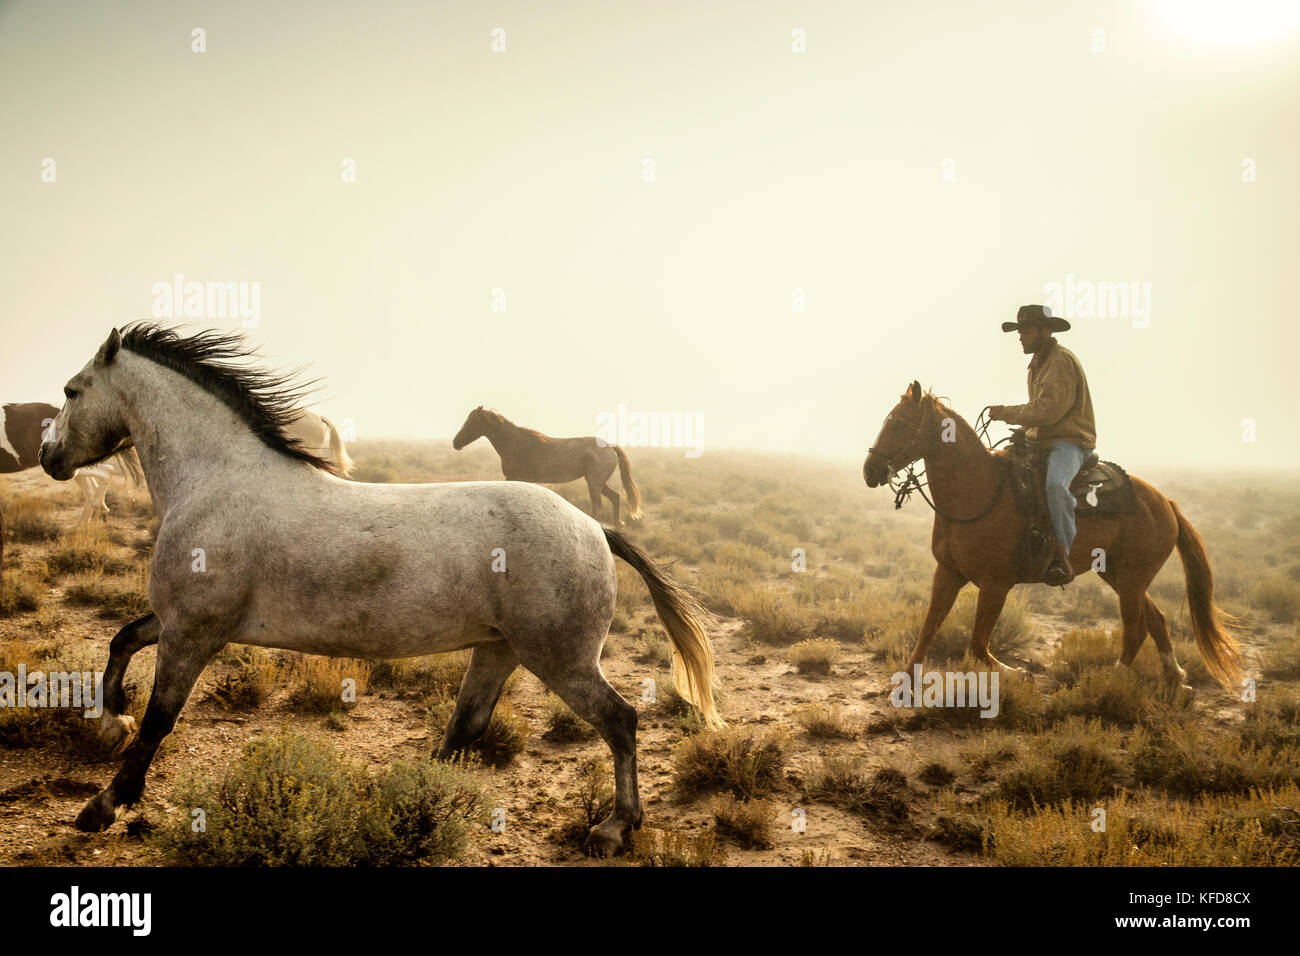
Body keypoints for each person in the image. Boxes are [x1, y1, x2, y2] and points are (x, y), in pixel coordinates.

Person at [988, 305, 1097, 586]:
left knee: (1054, 486)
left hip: (1069, 442)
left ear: (1044, 331)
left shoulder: (1060, 360)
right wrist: (1023, 430)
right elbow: (1041, 414)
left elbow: (1048, 411)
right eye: (1019, 331)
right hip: (1043, 440)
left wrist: (1007, 413)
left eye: (1026, 331)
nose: (1021, 336)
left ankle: (1062, 556)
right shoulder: (1039, 362)